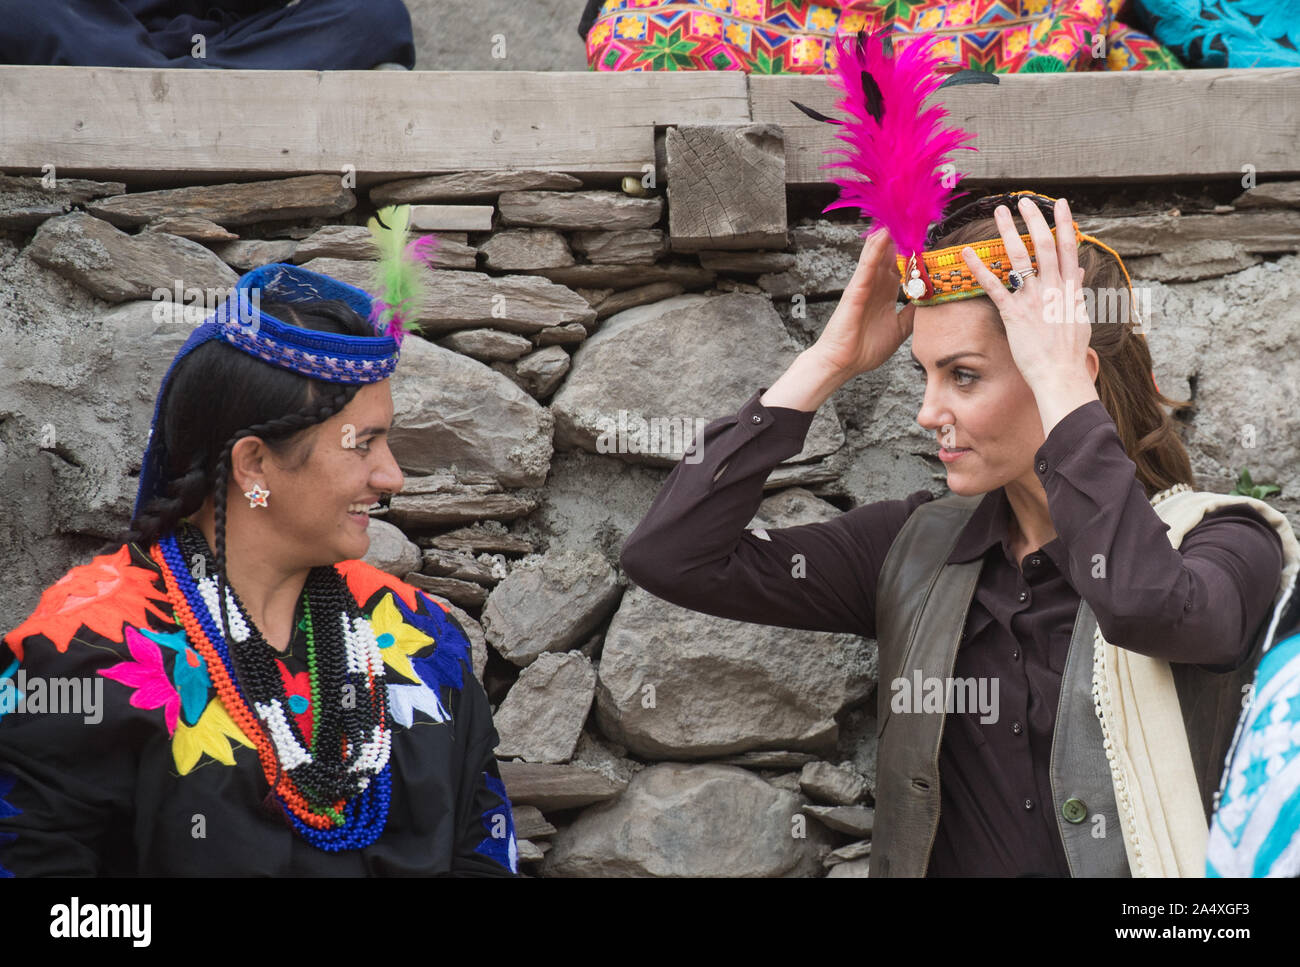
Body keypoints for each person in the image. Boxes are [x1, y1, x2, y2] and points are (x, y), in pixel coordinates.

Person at [620, 191, 1297, 877]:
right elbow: (671, 554)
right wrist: (828, 359)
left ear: (1069, 376)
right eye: (926, 373)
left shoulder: (1228, 544)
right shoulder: (911, 548)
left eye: (962, 376)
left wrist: (1064, 382)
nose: (925, 411)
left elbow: (1143, 605)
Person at [0, 262, 518, 876]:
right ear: (253, 465)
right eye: (363, 444)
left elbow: (482, 856)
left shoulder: (422, 639)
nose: (392, 477)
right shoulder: (86, 653)